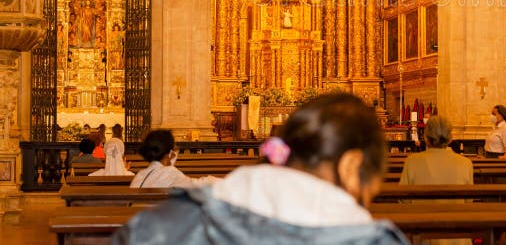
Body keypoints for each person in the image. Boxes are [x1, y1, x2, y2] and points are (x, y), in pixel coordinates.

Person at [114, 94, 407, 244]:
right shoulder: (370, 240)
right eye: (369, 188)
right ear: (350, 166)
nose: (364, 202)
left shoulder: (157, 226)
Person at [130, 130, 217, 188]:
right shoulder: (171, 173)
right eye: (175, 148)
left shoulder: (140, 175)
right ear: (169, 154)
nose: (176, 151)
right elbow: (196, 186)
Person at [400, 115, 472, 184]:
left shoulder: (411, 162)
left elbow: (402, 193)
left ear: (426, 138)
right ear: (450, 139)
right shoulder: (466, 164)